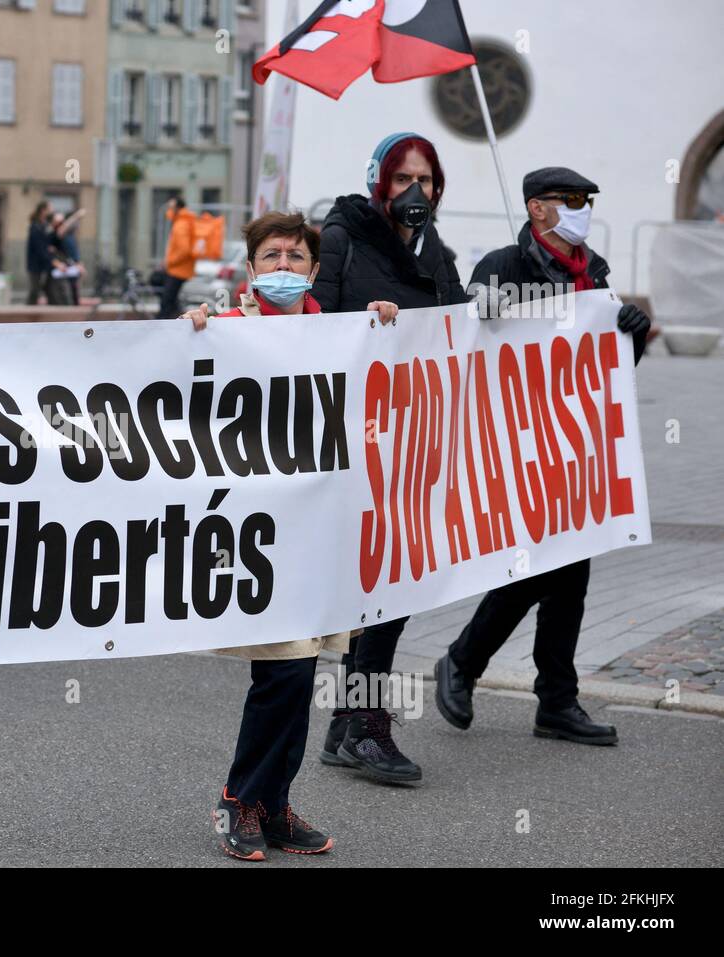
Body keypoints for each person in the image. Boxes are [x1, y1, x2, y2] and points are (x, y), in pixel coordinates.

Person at [181, 212, 397, 861]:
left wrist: (389, 325)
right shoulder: (229, 331)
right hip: (254, 532)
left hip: (315, 534)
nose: (282, 267)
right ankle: (239, 798)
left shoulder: (339, 332)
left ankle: (272, 803)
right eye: (270, 256)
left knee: (301, 670)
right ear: (249, 270)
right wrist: (188, 337)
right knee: (282, 670)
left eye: (294, 257)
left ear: (312, 268)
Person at [435, 167, 650, 747]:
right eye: (572, 200)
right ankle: (466, 662)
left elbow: (606, 371)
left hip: (575, 448)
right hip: (512, 443)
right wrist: (492, 306)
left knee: (570, 571)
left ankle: (554, 699)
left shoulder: (594, 272)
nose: (582, 209)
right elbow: (466, 334)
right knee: (538, 564)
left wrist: (634, 335)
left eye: (586, 200)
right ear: (538, 209)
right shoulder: (503, 265)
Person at [313, 132, 467, 786]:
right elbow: (312, 320)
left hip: (411, 443)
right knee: (377, 586)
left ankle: (347, 725)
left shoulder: (439, 256)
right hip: (349, 437)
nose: (415, 192)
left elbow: (466, 332)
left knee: (387, 586)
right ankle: (367, 728)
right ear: (380, 181)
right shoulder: (342, 238)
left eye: (426, 181)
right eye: (403, 178)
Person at [155, 195, 197, 320]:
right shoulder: (183, 222)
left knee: (166, 301)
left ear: (178, 209)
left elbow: (184, 250)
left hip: (178, 270)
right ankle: (174, 310)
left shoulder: (181, 225)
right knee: (158, 282)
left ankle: (164, 322)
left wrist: (169, 262)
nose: (169, 211)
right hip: (179, 269)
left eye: (171, 208)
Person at [53, 208, 86, 304]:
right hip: (66, 269)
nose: (78, 225)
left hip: (73, 269)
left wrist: (80, 264)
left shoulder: (71, 236)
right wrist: (76, 216)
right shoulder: (64, 234)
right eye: (76, 223)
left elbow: (75, 253)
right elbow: (62, 230)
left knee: (75, 295)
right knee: (67, 297)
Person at [26, 201, 53, 305]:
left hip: (43, 262)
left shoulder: (45, 224)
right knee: (35, 290)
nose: (51, 211)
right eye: (50, 208)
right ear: (43, 210)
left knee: (43, 287)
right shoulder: (35, 226)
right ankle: (28, 311)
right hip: (35, 263)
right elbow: (39, 246)